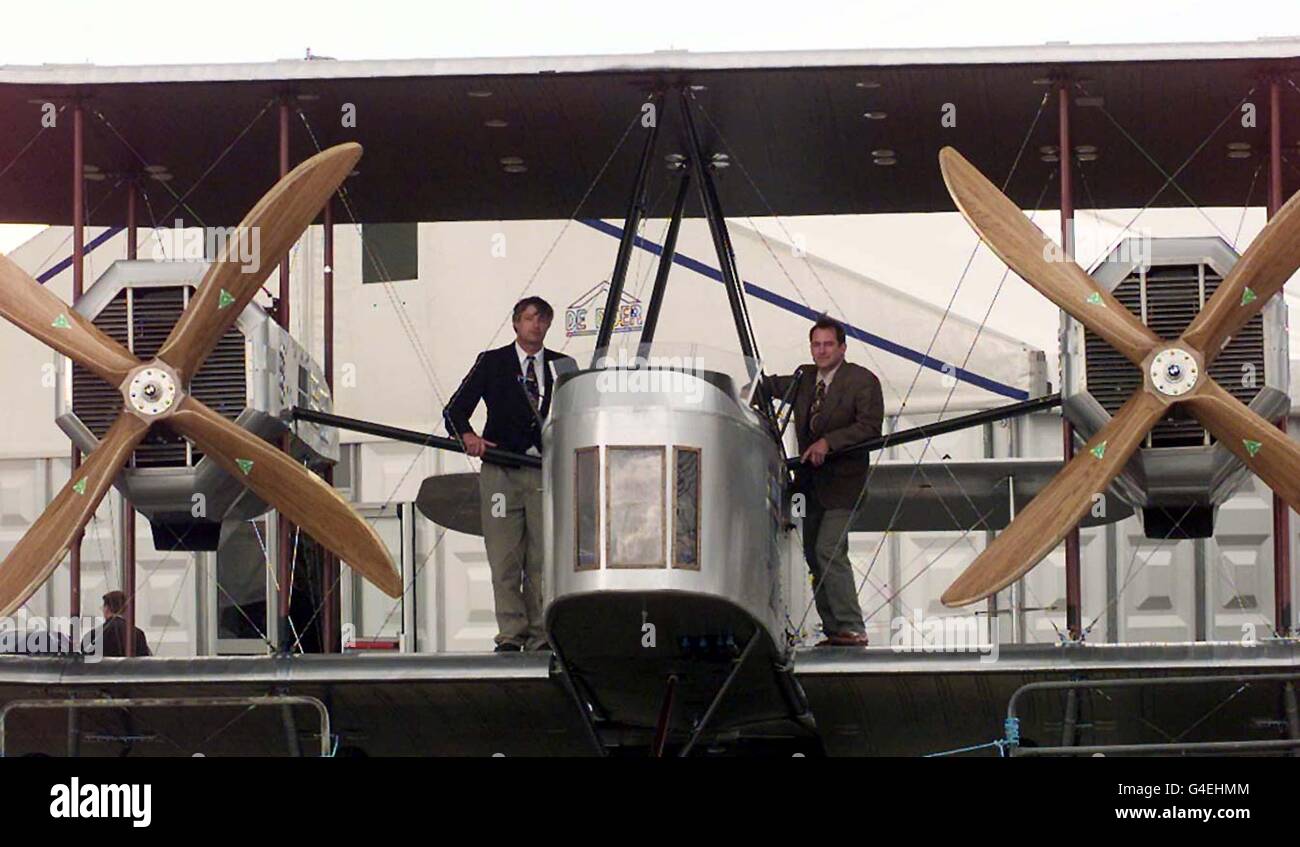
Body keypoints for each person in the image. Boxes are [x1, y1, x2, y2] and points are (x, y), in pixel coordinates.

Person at [444, 297, 576, 652]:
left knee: (542, 560)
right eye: (530, 318)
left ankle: (541, 635)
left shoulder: (563, 366)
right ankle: (511, 635)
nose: (536, 325)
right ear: (516, 323)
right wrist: (467, 436)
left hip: (544, 473)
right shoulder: (493, 362)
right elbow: (454, 410)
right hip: (501, 470)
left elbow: (577, 413)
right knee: (504, 557)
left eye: (543, 320)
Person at [767, 316, 883, 647]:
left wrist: (828, 443)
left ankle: (852, 626)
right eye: (816, 344)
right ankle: (835, 630)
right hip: (810, 486)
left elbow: (870, 428)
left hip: (845, 484)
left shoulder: (862, 381)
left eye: (828, 344)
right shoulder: (804, 377)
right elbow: (770, 386)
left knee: (828, 548)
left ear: (842, 348)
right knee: (813, 555)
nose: (822, 351)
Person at [94, 590, 151, 657]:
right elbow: (144, 662)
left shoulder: (94, 635)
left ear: (106, 608)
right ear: (125, 609)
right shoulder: (138, 634)